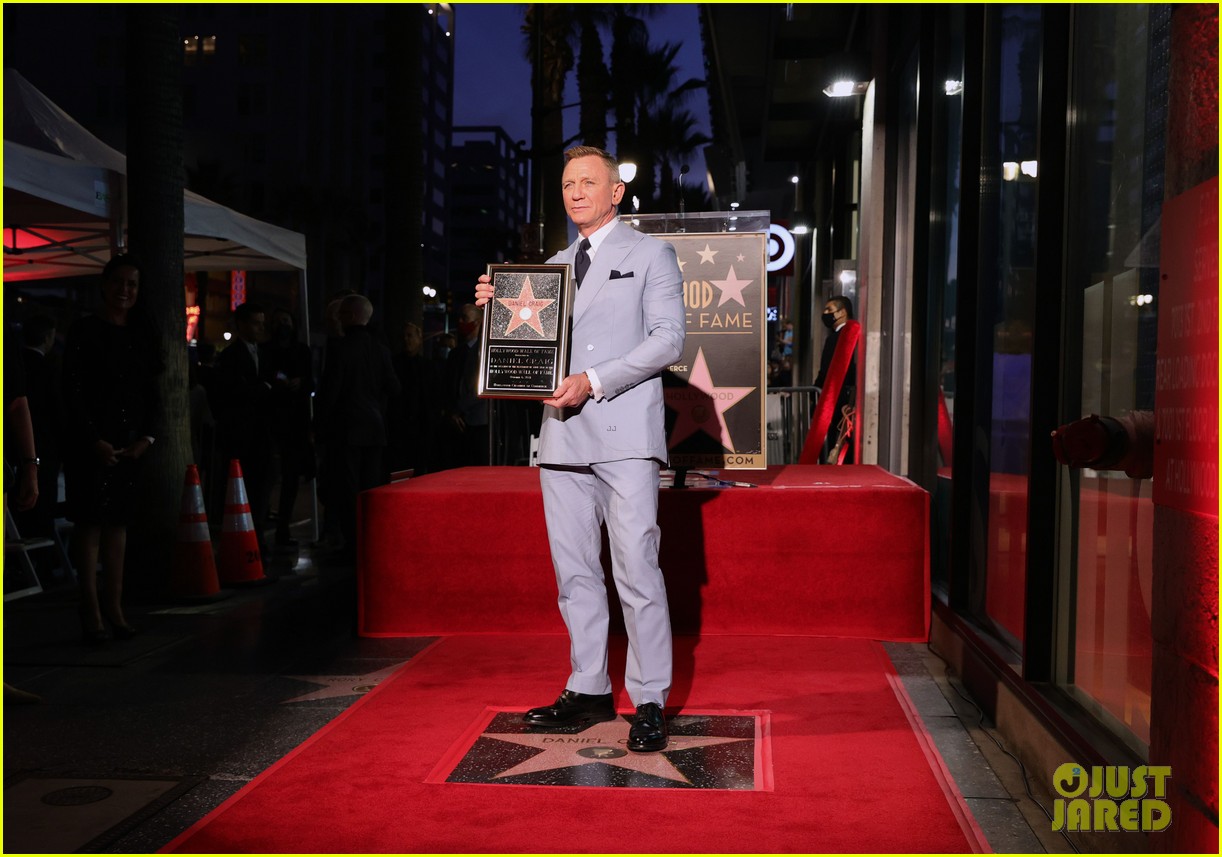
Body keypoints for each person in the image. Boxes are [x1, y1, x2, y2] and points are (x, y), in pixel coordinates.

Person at [475, 145, 685, 752]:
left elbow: (668, 338)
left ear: (615, 192)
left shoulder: (650, 253)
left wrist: (595, 380)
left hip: (622, 433)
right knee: (574, 573)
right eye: (568, 183)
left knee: (636, 569)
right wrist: (499, 313)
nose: (575, 192)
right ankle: (589, 687)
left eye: (588, 182)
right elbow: (530, 354)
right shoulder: (553, 266)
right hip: (561, 436)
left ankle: (649, 699)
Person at [61, 254, 162, 643]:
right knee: (89, 525)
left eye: (132, 284)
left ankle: (114, 607)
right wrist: (93, 440)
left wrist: (145, 439)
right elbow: (72, 390)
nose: (125, 290)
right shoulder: (84, 330)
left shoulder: (142, 333)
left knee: (118, 524)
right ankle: (91, 608)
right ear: (104, 285)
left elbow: (153, 394)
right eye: (118, 282)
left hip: (130, 443)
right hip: (91, 443)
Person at [314, 294, 400, 561]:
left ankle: (353, 545)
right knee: (370, 487)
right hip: (374, 429)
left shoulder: (340, 349)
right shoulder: (380, 349)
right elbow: (394, 388)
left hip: (347, 430)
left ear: (350, 316)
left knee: (347, 490)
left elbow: (330, 393)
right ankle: (371, 542)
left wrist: (318, 426)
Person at [215, 302, 273, 559]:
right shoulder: (230, 357)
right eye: (255, 323)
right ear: (241, 325)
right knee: (244, 486)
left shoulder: (265, 354)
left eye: (262, 323)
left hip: (261, 431)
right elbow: (229, 394)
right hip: (241, 433)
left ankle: (257, 533)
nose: (260, 328)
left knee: (261, 485)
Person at [263, 308, 315, 546]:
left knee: (291, 476)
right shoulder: (267, 350)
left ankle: (283, 525)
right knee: (270, 474)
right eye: (279, 320)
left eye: (287, 319)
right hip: (273, 418)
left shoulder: (301, 350)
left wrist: (301, 382)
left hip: (295, 421)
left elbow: (311, 378)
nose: (283, 324)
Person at [14, 314, 64, 540]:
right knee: (41, 513)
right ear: (48, 337)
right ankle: (41, 564)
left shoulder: (17, 363)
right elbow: (57, 412)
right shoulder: (49, 370)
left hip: (15, 446)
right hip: (44, 447)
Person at [441, 304, 490, 468]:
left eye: (465, 318)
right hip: (457, 422)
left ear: (478, 322)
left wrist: (458, 409)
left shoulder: (485, 351)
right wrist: (451, 412)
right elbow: (448, 385)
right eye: (460, 318)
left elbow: (480, 387)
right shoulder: (456, 353)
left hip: (478, 420)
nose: (461, 322)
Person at [815, 295, 858, 462]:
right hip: (847, 396)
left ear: (842, 313)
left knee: (835, 436)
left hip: (837, 397)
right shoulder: (853, 334)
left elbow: (826, 370)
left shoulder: (836, 338)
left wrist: (816, 390)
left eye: (829, 310)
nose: (825, 313)